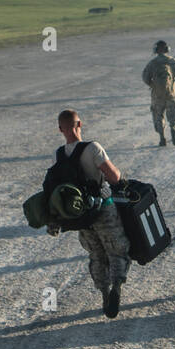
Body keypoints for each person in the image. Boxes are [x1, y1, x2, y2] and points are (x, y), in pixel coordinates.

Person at [44, 109, 131, 319]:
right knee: (116, 250)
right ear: (79, 125)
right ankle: (116, 288)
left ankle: (103, 292)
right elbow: (113, 176)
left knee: (96, 254)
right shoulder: (93, 148)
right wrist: (120, 179)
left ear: (60, 129)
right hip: (103, 209)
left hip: (80, 215)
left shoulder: (59, 154)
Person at [141, 40, 175, 146]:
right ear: (167, 49)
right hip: (171, 93)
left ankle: (162, 137)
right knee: (174, 115)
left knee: (158, 116)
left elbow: (145, 77)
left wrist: (153, 85)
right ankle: (174, 128)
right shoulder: (174, 62)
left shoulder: (152, 63)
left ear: (156, 50)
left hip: (157, 95)